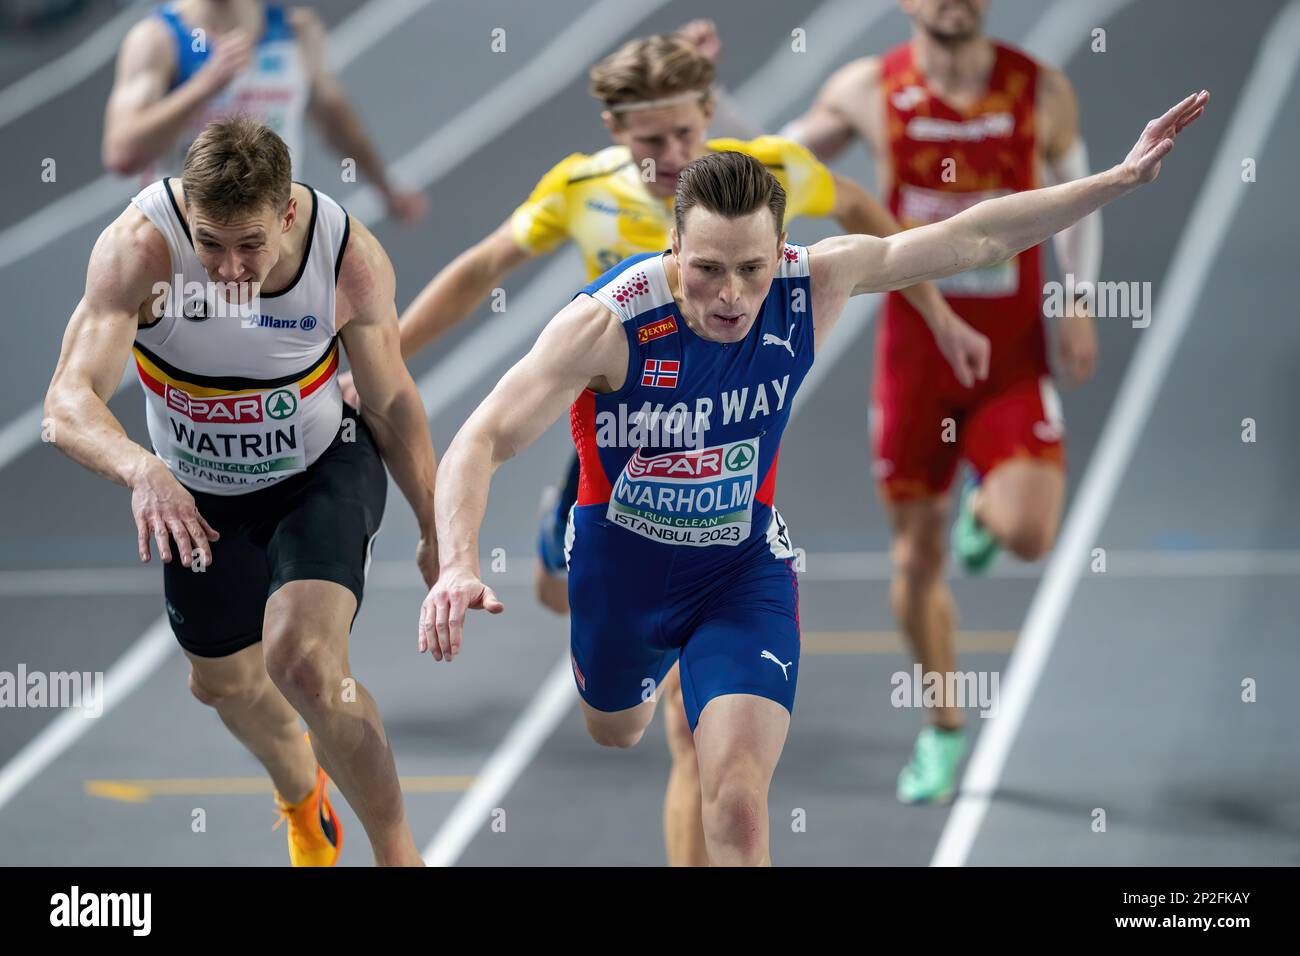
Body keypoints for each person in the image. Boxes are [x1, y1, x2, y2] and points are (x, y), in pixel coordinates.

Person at [420, 91, 1209, 865]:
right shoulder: (605, 325)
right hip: (618, 573)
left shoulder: (812, 284)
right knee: (616, 730)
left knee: (733, 796)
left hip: (740, 573)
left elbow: (974, 239)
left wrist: (1114, 181)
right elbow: (480, 438)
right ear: (671, 248)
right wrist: (457, 562)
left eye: (752, 268)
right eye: (707, 269)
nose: (731, 295)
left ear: (783, 250)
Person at [339, 30, 986, 866]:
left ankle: (695, 681)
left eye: (685, 134)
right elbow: (480, 271)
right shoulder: (581, 190)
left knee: (703, 738)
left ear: (710, 117)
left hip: (719, 458)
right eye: (650, 141)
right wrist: (388, 356)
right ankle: (596, 573)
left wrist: (938, 315)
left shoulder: (763, 176)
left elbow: (873, 228)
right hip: (616, 438)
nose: (672, 155)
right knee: (568, 615)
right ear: (616, 132)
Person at [44, 117, 439, 866]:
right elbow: (65, 404)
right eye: (211, 244)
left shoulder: (345, 256)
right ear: (186, 217)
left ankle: (398, 856)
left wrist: (434, 527)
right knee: (221, 685)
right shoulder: (139, 251)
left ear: (287, 212)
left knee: (305, 664)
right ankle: (303, 797)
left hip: (319, 470)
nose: (229, 270)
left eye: (250, 245)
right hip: (195, 499)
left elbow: (390, 404)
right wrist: (143, 470)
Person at [781, 0, 1104, 802]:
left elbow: (1079, 189)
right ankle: (944, 728)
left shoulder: (1039, 90)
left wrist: (1079, 300)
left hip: (1007, 356)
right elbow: (769, 161)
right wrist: (696, 136)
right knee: (913, 558)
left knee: (1029, 533)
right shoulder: (867, 89)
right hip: (917, 360)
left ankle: (985, 513)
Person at [102, 0, 425, 222]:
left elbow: (337, 123)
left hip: (270, 231)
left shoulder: (296, 31)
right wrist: (204, 87)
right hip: (184, 235)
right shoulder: (157, 40)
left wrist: (386, 187)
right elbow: (123, 153)